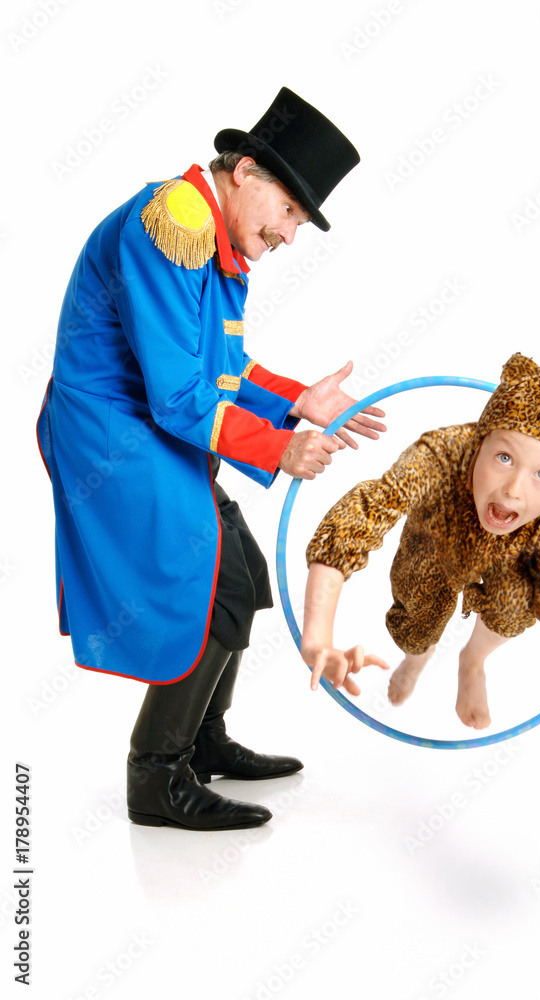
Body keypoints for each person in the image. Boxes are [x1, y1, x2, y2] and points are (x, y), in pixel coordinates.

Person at [37, 87, 385, 831]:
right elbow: (176, 396)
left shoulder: (216, 244)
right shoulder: (176, 225)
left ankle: (204, 741)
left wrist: (298, 401)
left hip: (148, 424)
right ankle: (157, 777)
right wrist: (280, 449)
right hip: (114, 434)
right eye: (290, 209)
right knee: (213, 587)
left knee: (244, 576)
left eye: (300, 219)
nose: (292, 234)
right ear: (247, 172)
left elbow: (221, 369)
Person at [301, 353, 540, 797]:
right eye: (504, 457)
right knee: (415, 625)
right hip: (434, 547)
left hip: (513, 567)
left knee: (513, 608)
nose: (514, 489)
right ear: (479, 441)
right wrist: (316, 638)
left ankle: (473, 661)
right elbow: (361, 517)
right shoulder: (443, 454)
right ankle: (418, 655)